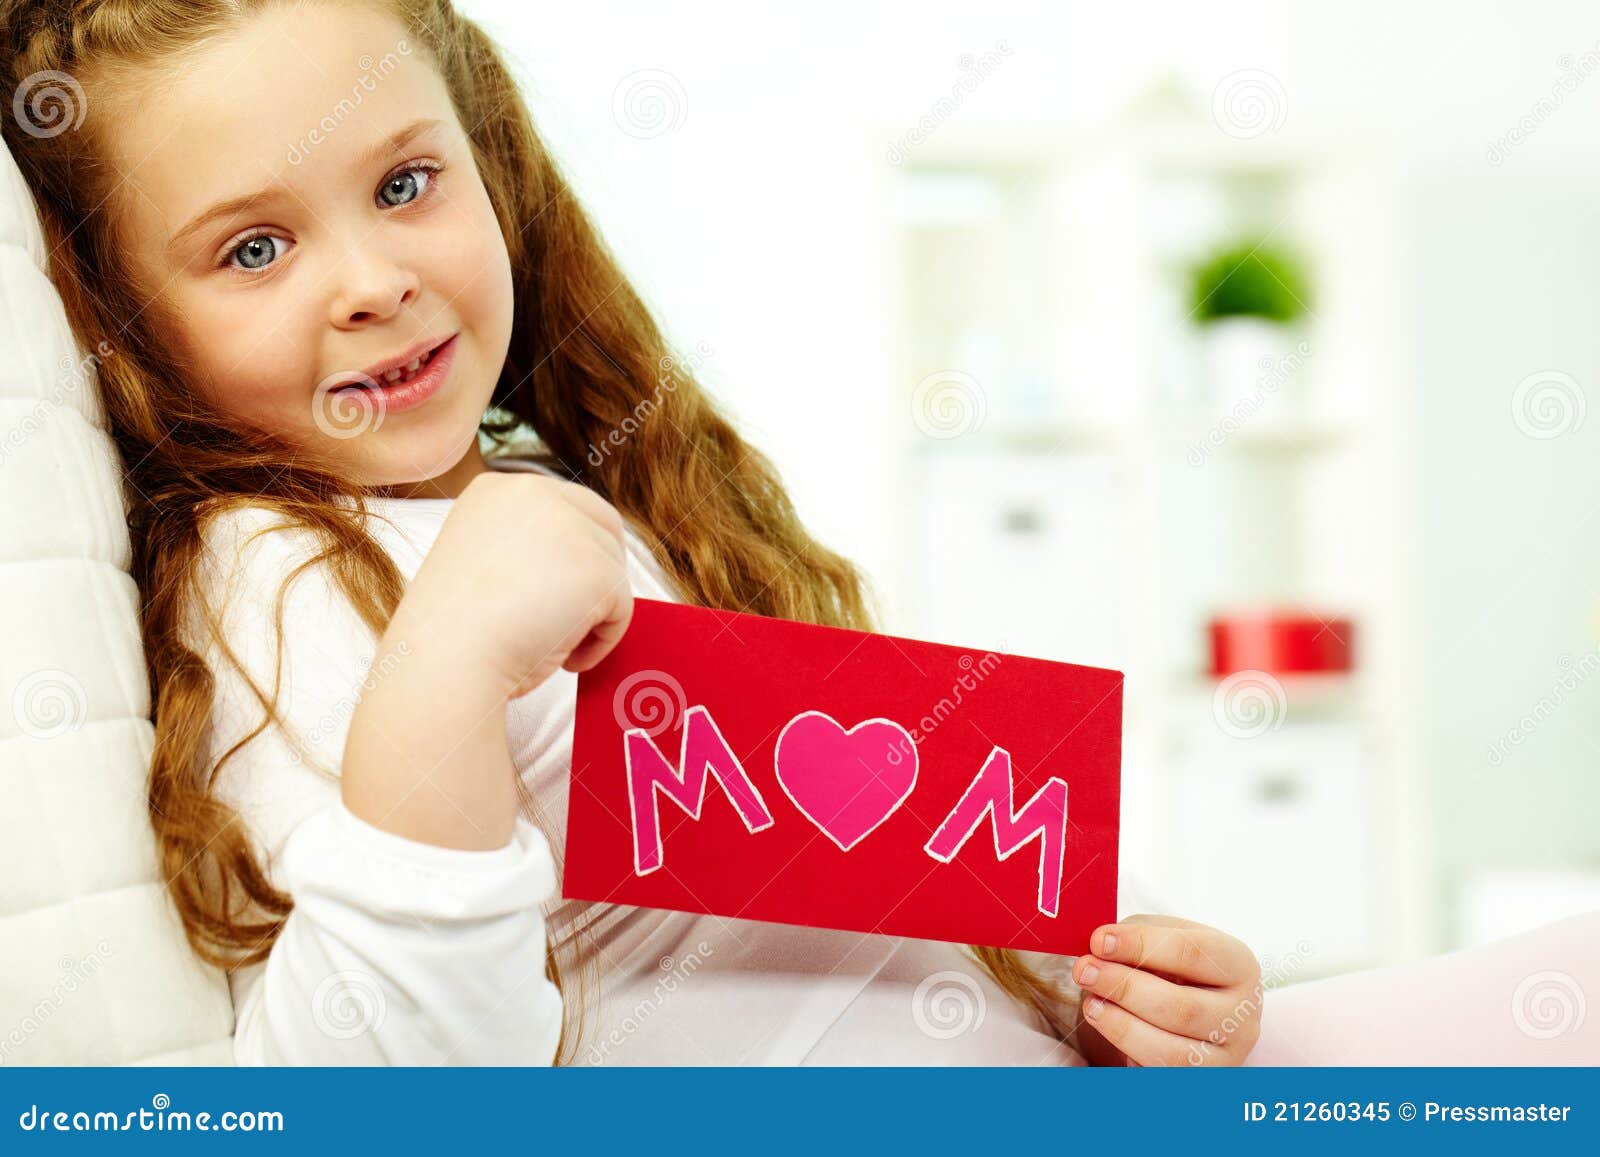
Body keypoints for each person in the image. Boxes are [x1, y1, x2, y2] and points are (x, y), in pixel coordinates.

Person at [1, 0, 1263, 1065]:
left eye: (403, 183)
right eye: (256, 248)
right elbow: (357, 1087)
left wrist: (1133, 982)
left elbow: (909, 853)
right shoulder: (274, 579)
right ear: (124, 320)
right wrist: (442, 671)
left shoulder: (588, 495)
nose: (373, 280)